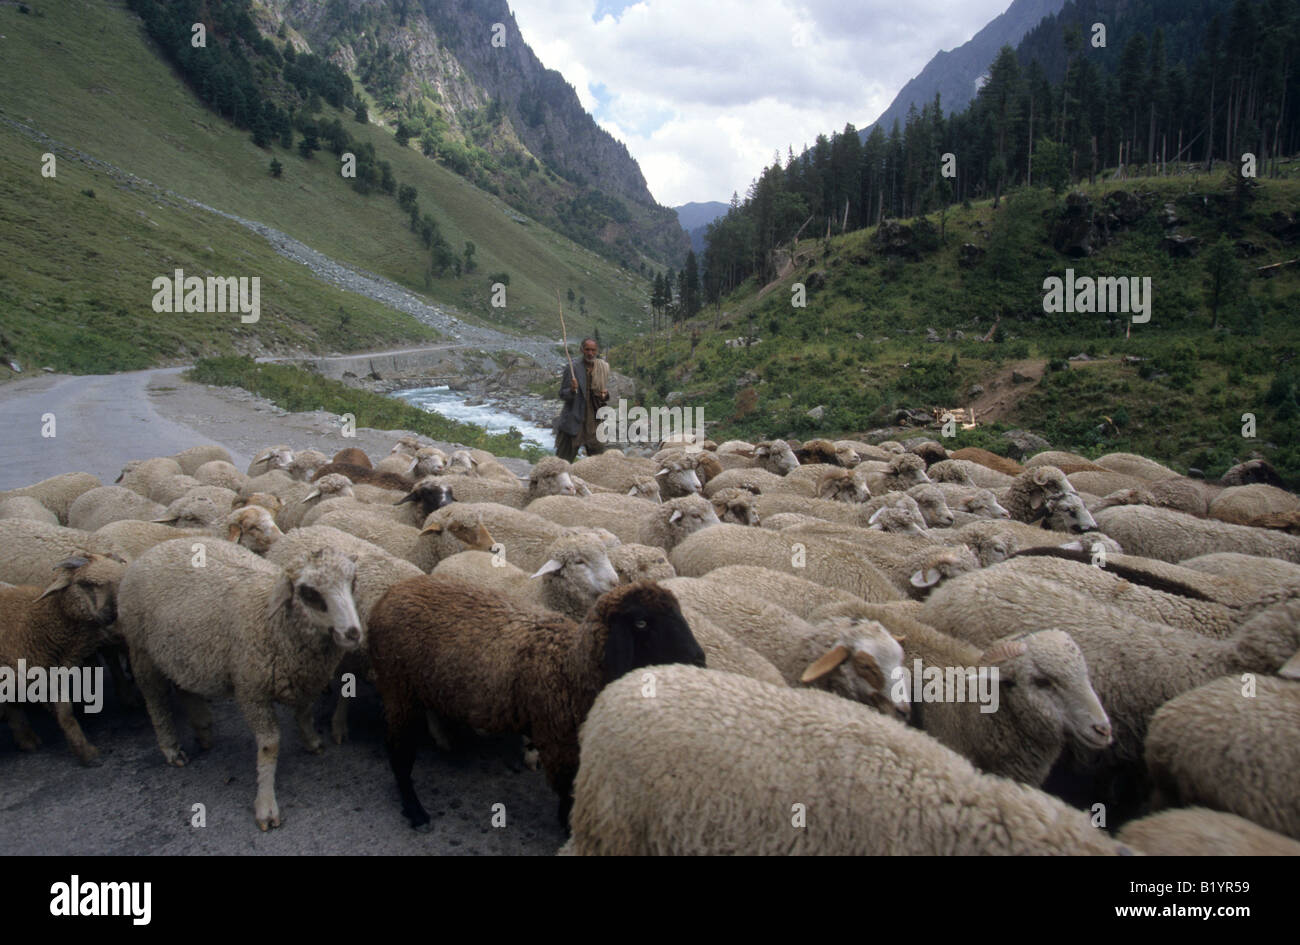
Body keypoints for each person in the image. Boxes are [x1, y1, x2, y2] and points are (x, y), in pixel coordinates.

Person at [555, 337, 610, 462]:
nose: (590, 353)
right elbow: (562, 394)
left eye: (593, 350)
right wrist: (572, 390)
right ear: (582, 350)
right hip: (574, 419)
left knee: (599, 463)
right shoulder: (572, 368)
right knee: (562, 462)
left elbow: (604, 394)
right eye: (587, 350)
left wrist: (604, 395)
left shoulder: (601, 368)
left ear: (596, 351)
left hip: (593, 421)